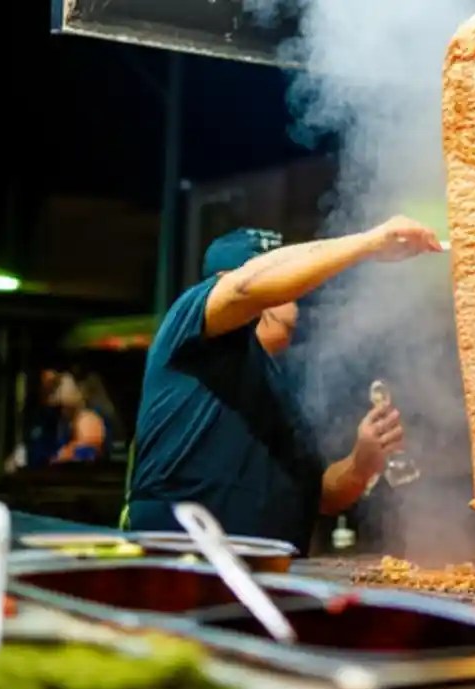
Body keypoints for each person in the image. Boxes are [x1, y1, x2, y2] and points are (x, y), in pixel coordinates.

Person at [122, 216, 442, 552]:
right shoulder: (190, 322)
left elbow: (320, 496)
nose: (298, 287)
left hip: (268, 570)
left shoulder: (280, 385)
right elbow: (246, 288)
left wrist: (361, 463)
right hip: (184, 563)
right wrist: (369, 243)